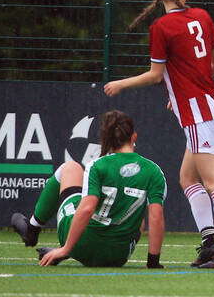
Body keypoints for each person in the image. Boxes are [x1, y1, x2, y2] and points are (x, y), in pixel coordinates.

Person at [103, 0, 214, 269]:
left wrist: (122, 83)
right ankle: (209, 243)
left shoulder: (161, 27)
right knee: (187, 177)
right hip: (213, 105)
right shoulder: (203, 17)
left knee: (213, 181)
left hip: (197, 112)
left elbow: (155, 75)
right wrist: (179, 89)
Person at [10, 110, 166, 268]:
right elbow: (156, 216)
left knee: (70, 168)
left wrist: (66, 249)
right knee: (138, 218)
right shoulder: (153, 170)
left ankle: (32, 229)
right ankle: (64, 244)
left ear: (106, 139)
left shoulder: (98, 165)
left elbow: (87, 208)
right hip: (117, 256)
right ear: (134, 136)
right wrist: (153, 262)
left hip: (81, 244)